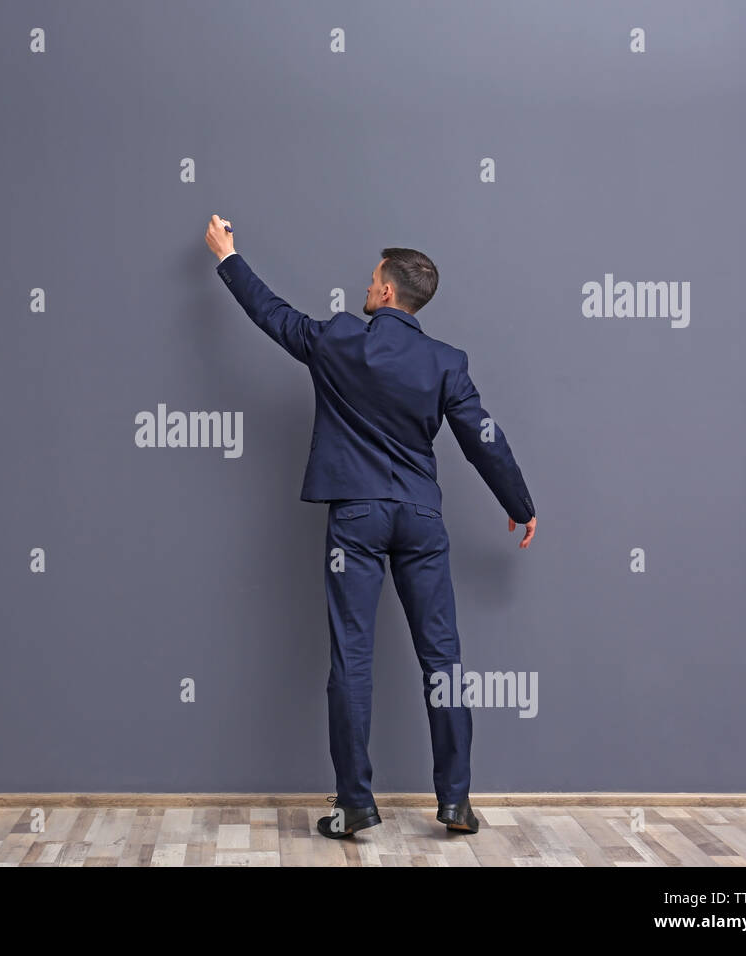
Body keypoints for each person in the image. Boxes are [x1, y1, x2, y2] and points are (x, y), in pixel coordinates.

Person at [204, 214, 537, 838]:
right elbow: (482, 438)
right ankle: (456, 803)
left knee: (352, 659)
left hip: (355, 517)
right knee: (443, 660)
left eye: (372, 279)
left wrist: (228, 257)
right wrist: (518, 501)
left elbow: (271, 314)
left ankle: (355, 804)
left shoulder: (338, 340)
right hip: (419, 518)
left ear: (386, 292)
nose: (366, 285)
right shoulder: (445, 362)